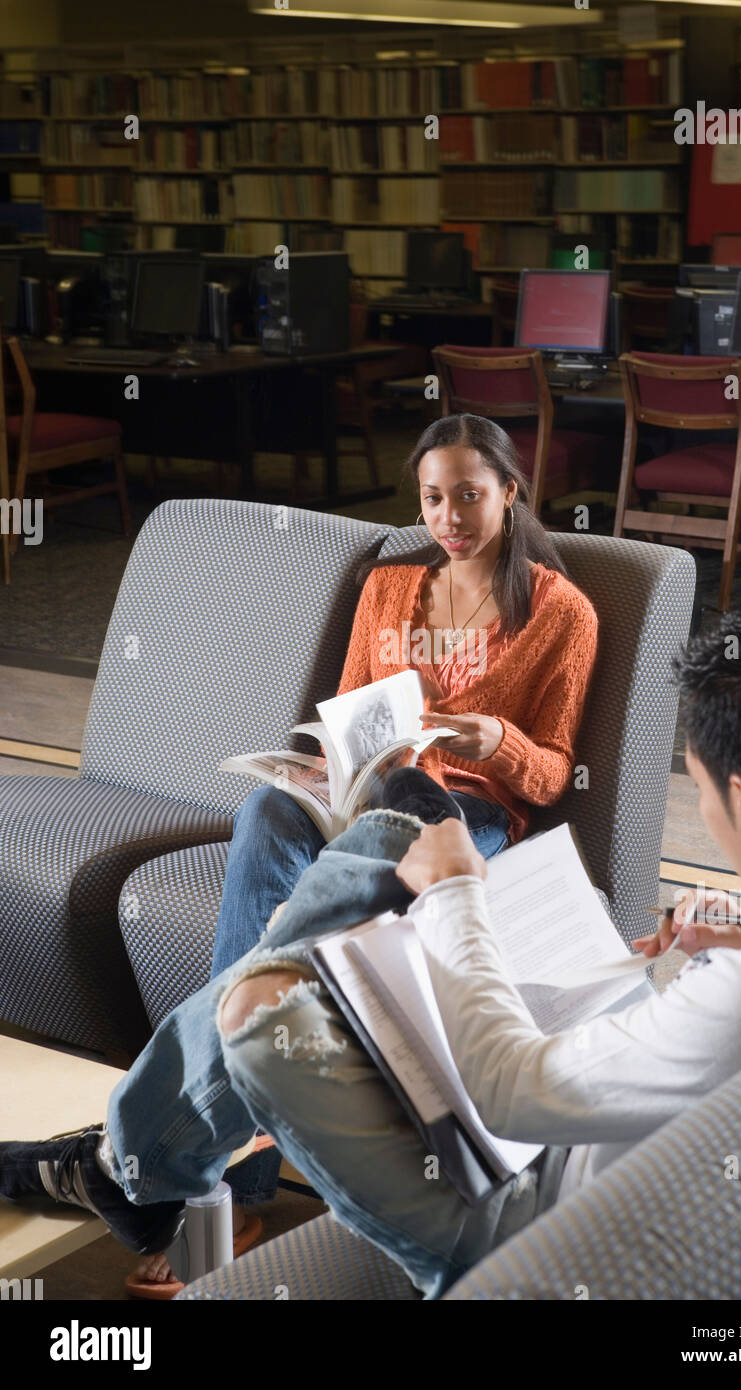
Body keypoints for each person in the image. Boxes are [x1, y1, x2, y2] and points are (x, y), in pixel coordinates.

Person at [5, 607, 741, 1300]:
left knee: (266, 999)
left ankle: (131, 1162)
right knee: (374, 870)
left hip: (524, 1211)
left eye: (701, 788)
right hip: (612, 1146)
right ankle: (133, 1160)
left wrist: (458, 891)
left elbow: (514, 1093)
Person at [126, 411, 599, 1293]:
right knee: (269, 810)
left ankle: (226, 1187)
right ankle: (227, 1144)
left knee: (315, 901)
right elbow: (348, 711)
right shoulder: (387, 588)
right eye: (432, 497)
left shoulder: (562, 612)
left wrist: (492, 736)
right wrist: (319, 771)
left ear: (510, 493)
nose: (450, 515)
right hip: (370, 792)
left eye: (469, 494)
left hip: (464, 812)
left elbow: (550, 776)